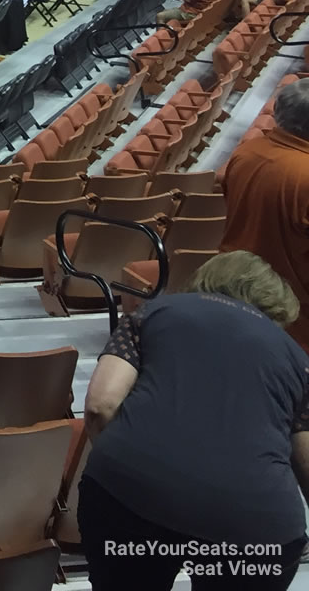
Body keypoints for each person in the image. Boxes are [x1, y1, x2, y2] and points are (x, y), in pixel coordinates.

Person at [79, 250, 309, 591]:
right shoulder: (298, 360)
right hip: (254, 526)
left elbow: (101, 405)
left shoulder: (152, 312)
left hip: (129, 497)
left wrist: (131, 466)